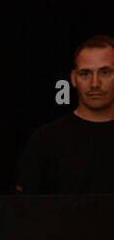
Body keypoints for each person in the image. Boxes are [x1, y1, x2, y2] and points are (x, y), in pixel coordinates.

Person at [15, 34, 114, 194]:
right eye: (85, 74)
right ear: (74, 79)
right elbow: (25, 212)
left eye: (105, 72)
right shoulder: (45, 139)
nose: (95, 83)